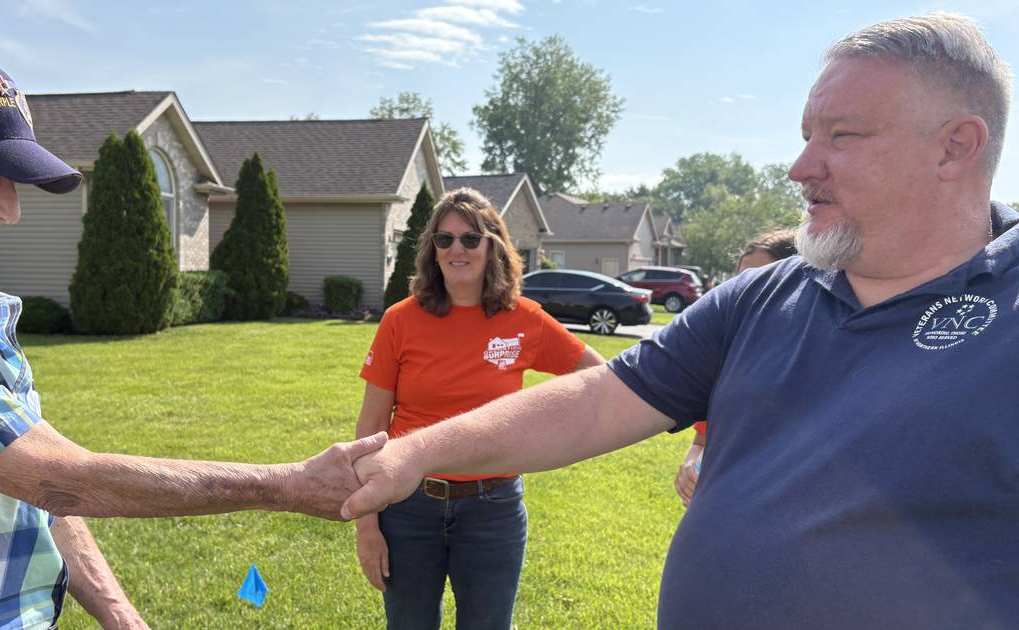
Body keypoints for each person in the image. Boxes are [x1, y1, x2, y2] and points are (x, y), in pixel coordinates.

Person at [343, 13, 1019, 628]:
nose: (799, 167)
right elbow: (594, 404)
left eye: (841, 136)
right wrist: (414, 453)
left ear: (955, 148)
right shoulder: (759, 296)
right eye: (807, 135)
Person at [0, 42, 383, 629]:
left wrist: (121, 616)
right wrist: (288, 486)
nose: (9, 209)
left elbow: (38, 488)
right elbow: (59, 476)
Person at [354, 188, 605, 629]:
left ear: (493, 246)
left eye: (471, 239)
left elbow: (598, 379)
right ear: (432, 249)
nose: (457, 249)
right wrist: (367, 526)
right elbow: (371, 427)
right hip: (408, 505)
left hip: (494, 511)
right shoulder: (400, 319)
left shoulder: (524, 318)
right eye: (444, 239)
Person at [674, 229, 796, 505]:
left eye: (762, 278)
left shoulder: (810, 357)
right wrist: (690, 467)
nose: (747, 289)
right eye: (742, 278)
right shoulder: (729, 352)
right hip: (717, 504)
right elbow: (701, 441)